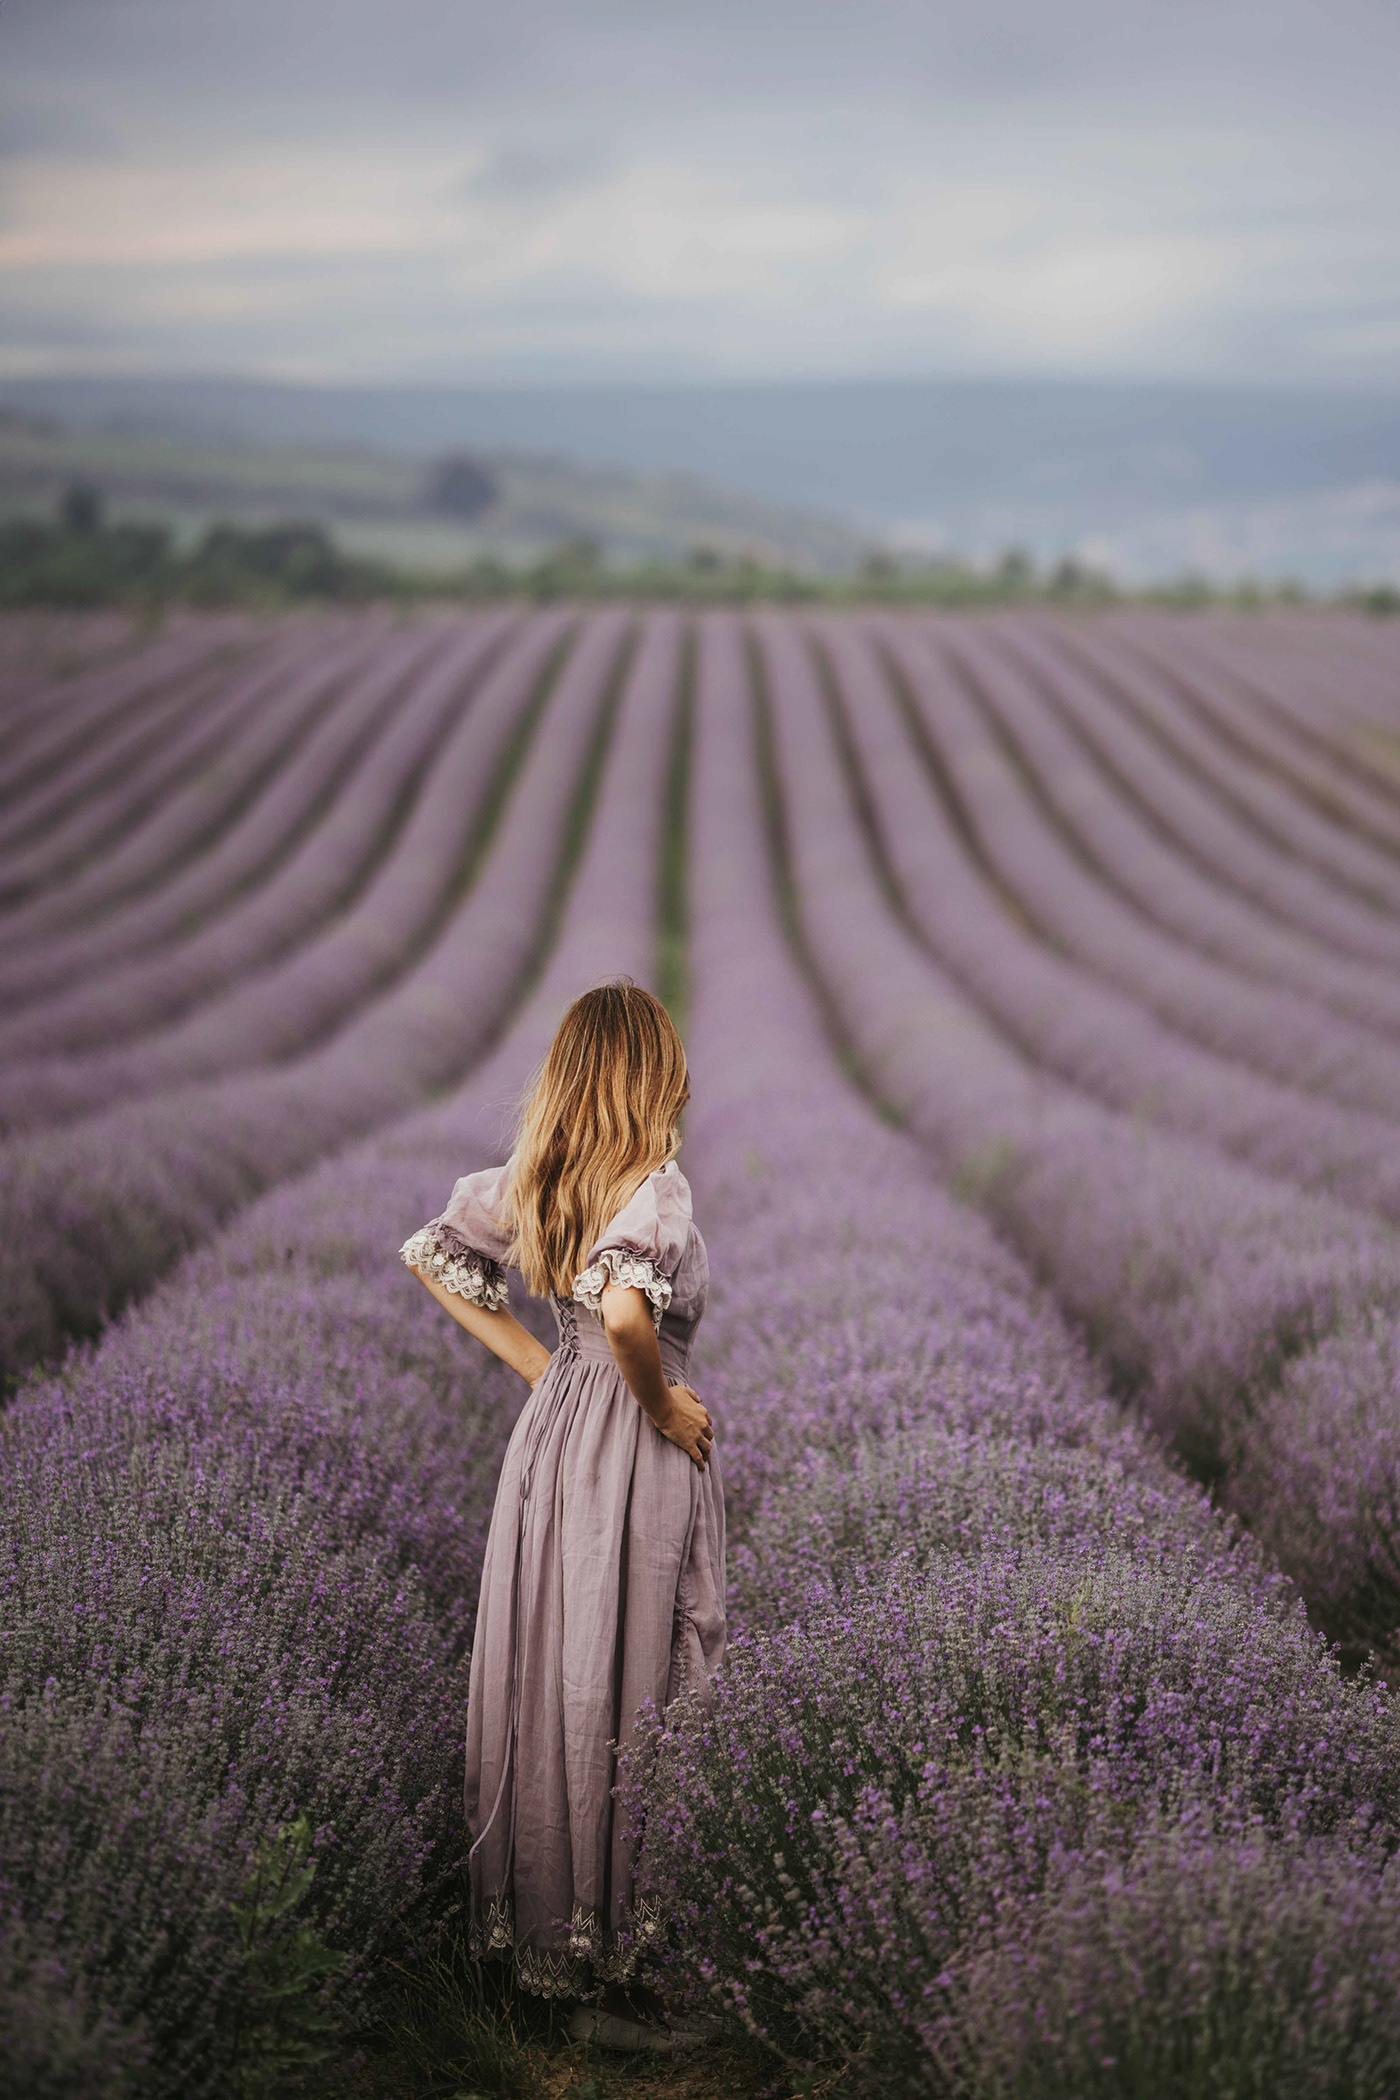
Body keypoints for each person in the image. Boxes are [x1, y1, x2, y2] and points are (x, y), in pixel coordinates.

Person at [400, 980, 726, 2053]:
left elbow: (436, 1257)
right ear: (652, 1076)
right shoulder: (656, 1188)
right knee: (626, 1679)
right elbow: (629, 1310)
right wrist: (659, 1400)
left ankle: (529, 1957)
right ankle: (605, 1969)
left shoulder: (540, 1176)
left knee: (550, 1669)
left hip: (549, 1444)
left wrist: (545, 1367)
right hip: (626, 1451)